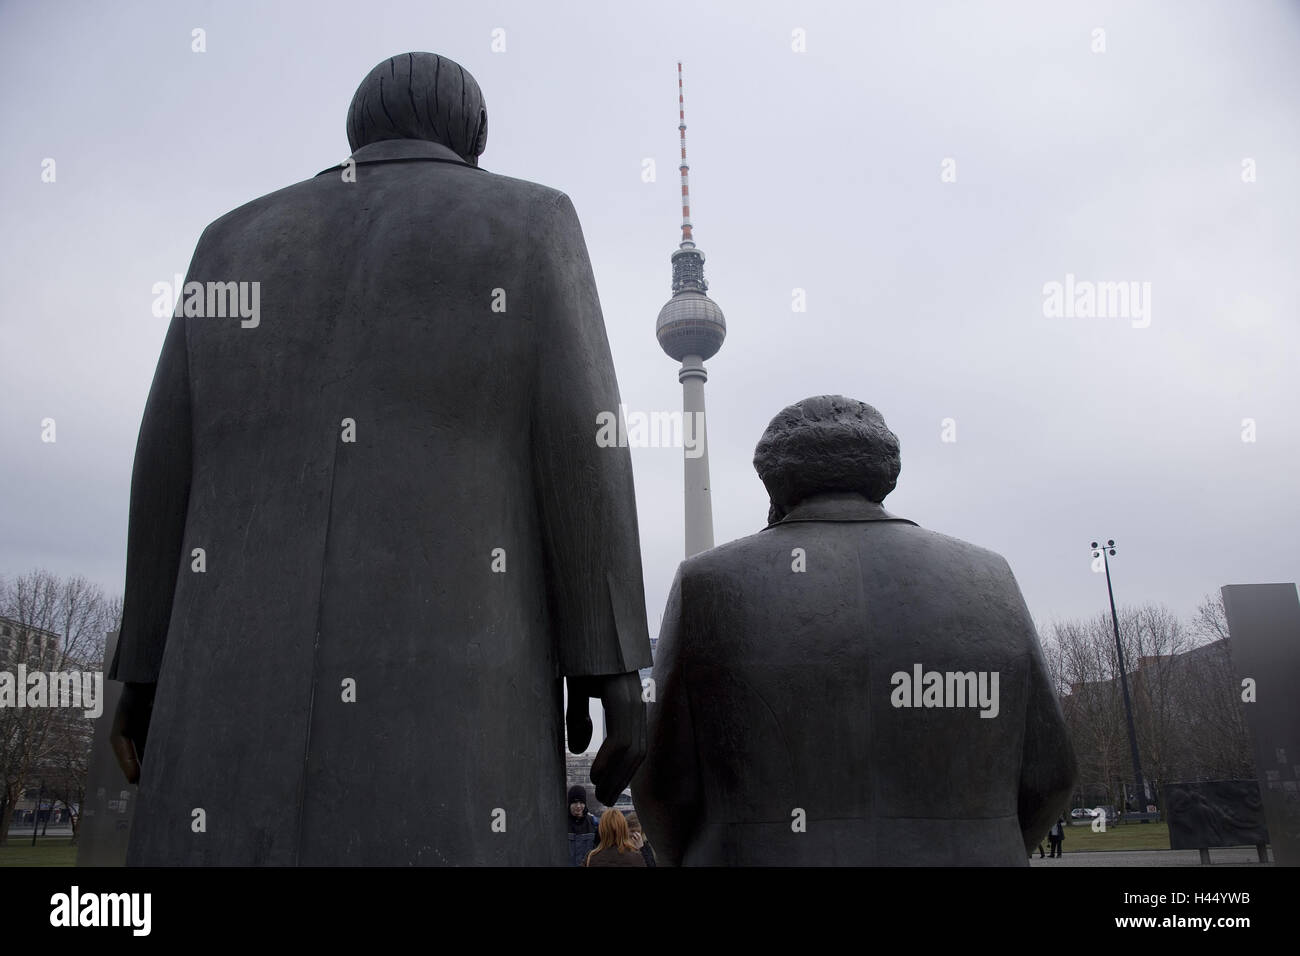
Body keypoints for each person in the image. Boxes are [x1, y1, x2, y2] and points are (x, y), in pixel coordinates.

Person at [107, 51, 652, 865]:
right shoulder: (533, 220)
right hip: (463, 683)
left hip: (220, 684)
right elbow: (585, 446)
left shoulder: (228, 242)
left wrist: (142, 666)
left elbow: (163, 466)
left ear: (358, 128)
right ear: (473, 135)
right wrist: (610, 663)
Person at [633, 396, 1076, 865]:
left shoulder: (705, 583)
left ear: (774, 481)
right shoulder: (990, 577)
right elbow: (1050, 776)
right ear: (884, 472)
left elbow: (661, 786)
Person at [567, 786, 601, 867]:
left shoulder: (594, 824)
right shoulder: (561, 824)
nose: (578, 806)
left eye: (581, 802)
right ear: (569, 803)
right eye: (575, 802)